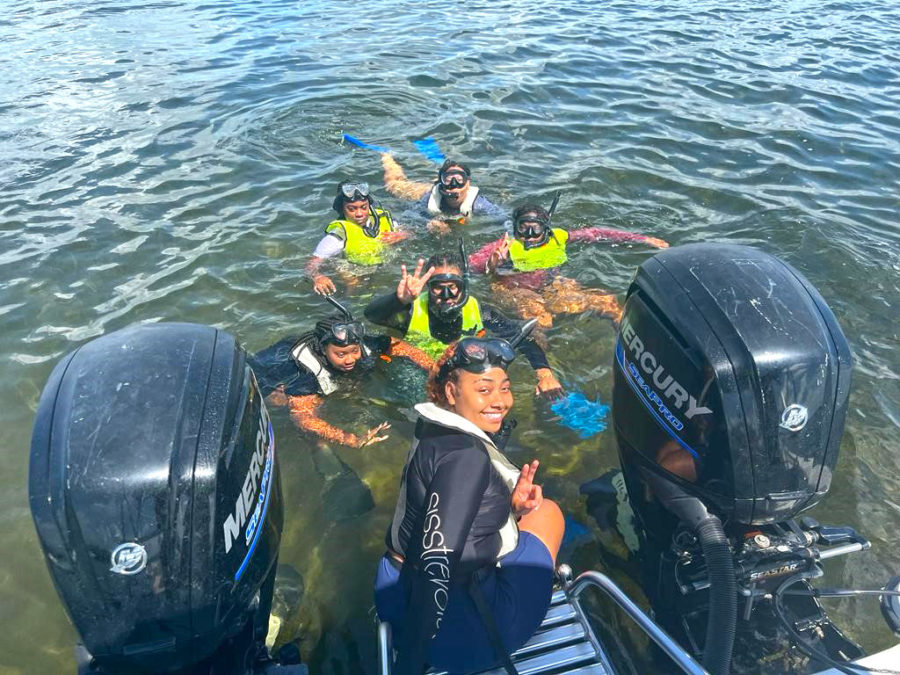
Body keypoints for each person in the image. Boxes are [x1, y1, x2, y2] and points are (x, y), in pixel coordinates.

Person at [374, 328, 565, 674]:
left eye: (504, 388)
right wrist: (412, 665)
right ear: (451, 391)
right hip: (463, 636)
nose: (501, 401)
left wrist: (507, 506)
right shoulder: (467, 458)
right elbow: (437, 566)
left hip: (394, 590)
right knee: (548, 511)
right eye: (484, 390)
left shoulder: (431, 429)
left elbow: (442, 510)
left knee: (526, 512)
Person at [363, 244, 564, 397]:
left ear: (464, 286)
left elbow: (521, 337)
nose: (447, 294)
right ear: (427, 287)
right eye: (438, 287)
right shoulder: (410, 311)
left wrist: (544, 374)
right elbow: (372, 316)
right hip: (420, 373)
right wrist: (398, 300)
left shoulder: (480, 312)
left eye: (454, 286)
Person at [249, 297, 432, 448]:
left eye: (354, 351)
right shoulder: (306, 373)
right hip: (267, 373)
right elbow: (303, 418)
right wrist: (351, 439)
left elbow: (396, 344)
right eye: (341, 354)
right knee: (279, 402)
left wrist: (432, 366)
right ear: (323, 349)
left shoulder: (362, 345)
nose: (350, 359)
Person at [468, 199, 669, 327]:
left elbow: (598, 233)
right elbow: (467, 266)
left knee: (606, 302)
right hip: (516, 289)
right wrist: (491, 264)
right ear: (515, 228)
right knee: (542, 320)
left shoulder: (558, 238)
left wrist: (642, 239)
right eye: (523, 228)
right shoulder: (503, 246)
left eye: (535, 229)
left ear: (545, 229)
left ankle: (624, 342)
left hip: (553, 283)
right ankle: (548, 365)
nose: (529, 236)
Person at [307, 181, 410, 296]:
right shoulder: (337, 236)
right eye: (352, 209)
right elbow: (311, 265)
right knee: (354, 283)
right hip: (355, 271)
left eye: (363, 207)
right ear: (342, 209)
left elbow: (411, 232)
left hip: (383, 268)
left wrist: (401, 235)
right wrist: (318, 277)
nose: (359, 213)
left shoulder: (381, 218)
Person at [381, 155, 506, 233]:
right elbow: (408, 217)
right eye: (447, 180)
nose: (453, 185)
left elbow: (504, 220)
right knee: (392, 185)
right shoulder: (428, 199)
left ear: (468, 183)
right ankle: (386, 156)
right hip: (422, 191)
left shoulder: (479, 204)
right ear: (442, 184)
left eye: (459, 179)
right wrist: (427, 224)